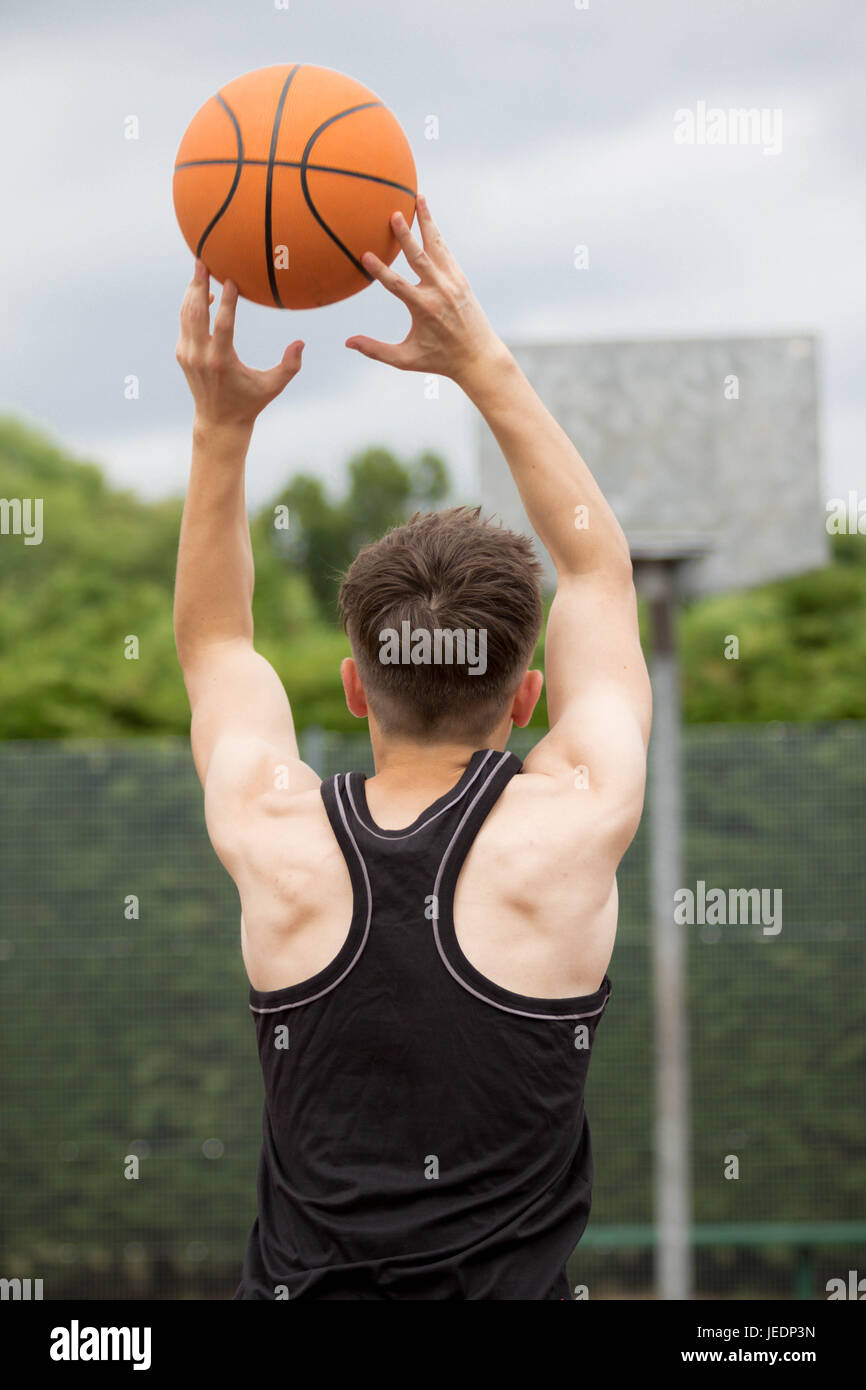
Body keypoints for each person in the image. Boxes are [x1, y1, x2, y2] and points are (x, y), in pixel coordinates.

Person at [174, 196, 651, 1300]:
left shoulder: (270, 826)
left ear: (353, 685)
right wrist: (476, 359)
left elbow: (211, 640)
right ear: (527, 695)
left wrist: (220, 427)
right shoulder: (573, 818)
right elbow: (595, 575)